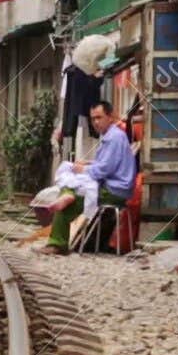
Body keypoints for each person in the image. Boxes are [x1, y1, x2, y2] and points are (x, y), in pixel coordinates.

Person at [42, 100, 136, 254]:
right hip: (110, 186)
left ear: (110, 117)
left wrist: (83, 169)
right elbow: (107, 164)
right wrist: (88, 163)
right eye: (93, 119)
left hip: (114, 191)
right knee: (71, 184)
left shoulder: (114, 138)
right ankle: (67, 196)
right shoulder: (110, 136)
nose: (95, 122)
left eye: (99, 117)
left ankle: (57, 244)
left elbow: (103, 170)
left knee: (70, 195)